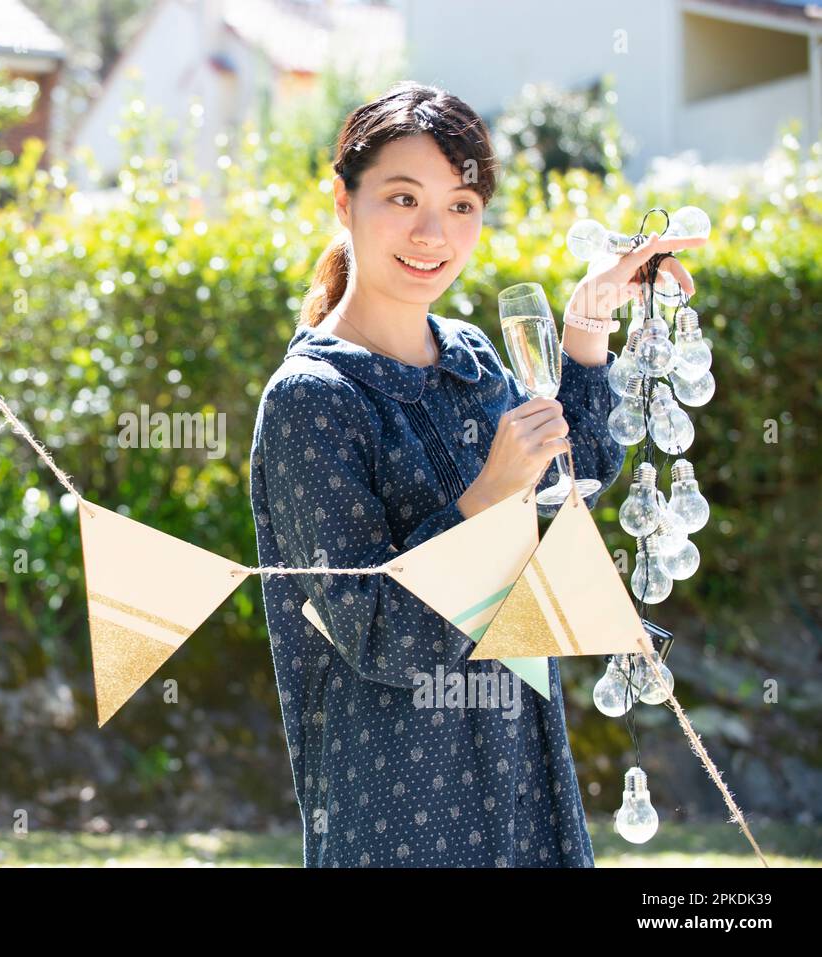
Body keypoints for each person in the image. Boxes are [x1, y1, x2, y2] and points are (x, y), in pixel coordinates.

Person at [248, 81, 705, 867]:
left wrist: (589, 328)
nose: (434, 232)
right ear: (342, 199)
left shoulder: (473, 357)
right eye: (403, 197)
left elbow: (572, 479)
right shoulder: (311, 401)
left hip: (524, 774)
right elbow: (378, 638)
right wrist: (485, 498)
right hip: (399, 814)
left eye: (462, 204)